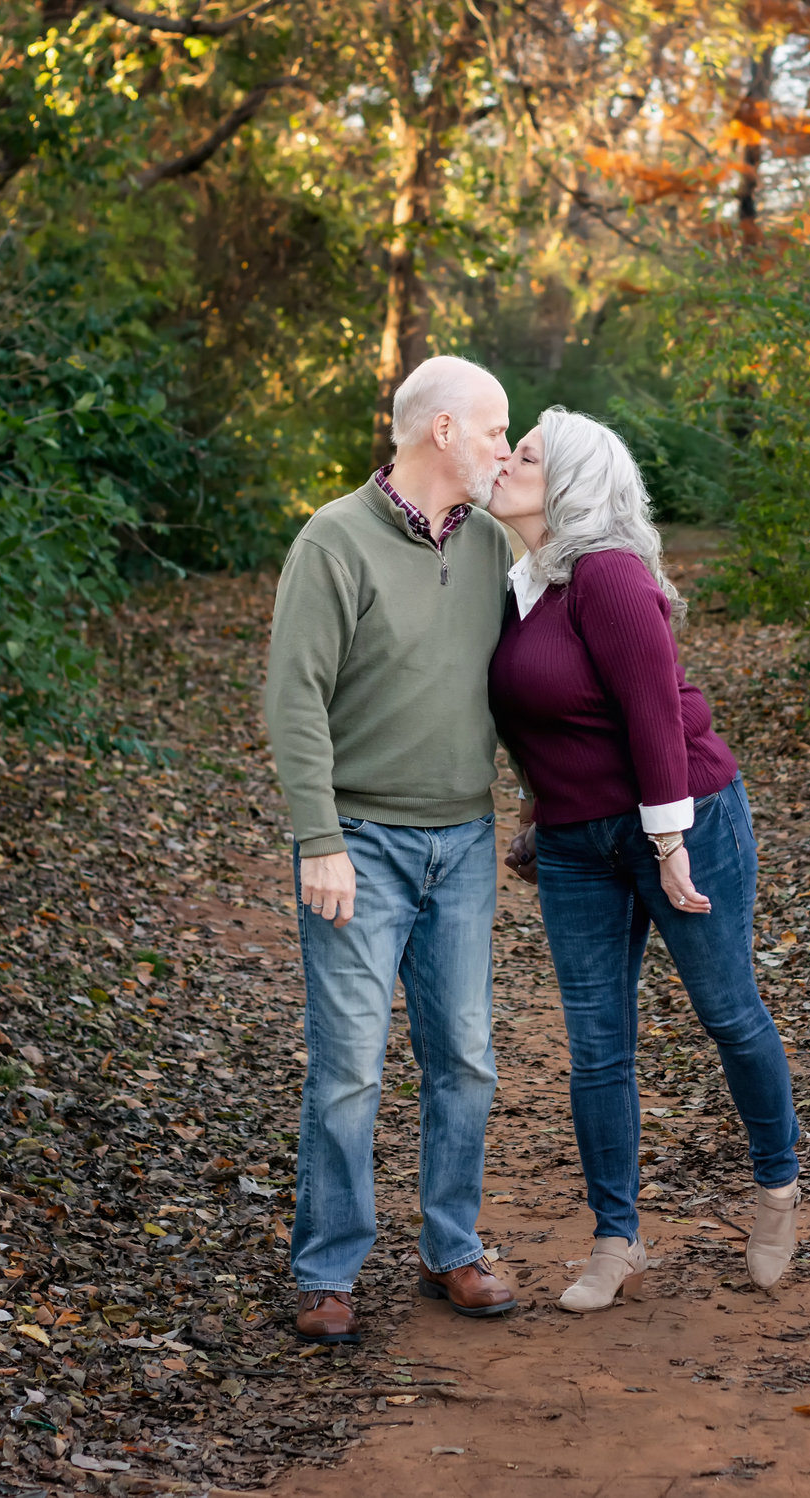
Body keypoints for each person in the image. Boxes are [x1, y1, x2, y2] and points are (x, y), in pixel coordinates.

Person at [487, 407, 802, 1312]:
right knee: (596, 1048)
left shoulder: (609, 576)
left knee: (726, 1011)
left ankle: (777, 1187)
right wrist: (539, 810)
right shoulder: (519, 585)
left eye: (528, 454)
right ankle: (616, 1240)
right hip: (580, 842)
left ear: (574, 482)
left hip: (685, 816)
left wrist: (668, 848)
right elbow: (546, 720)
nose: (507, 462)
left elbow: (654, 717)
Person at [262, 356, 520, 1345]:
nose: (505, 445)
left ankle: (451, 1246)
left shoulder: (495, 542)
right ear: (444, 430)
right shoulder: (333, 540)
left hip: (462, 836)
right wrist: (318, 837)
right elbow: (295, 699)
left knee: (463, 1053)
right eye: (495, 428)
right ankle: (327, 1267)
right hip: (359, 841)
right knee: (349, 1064)